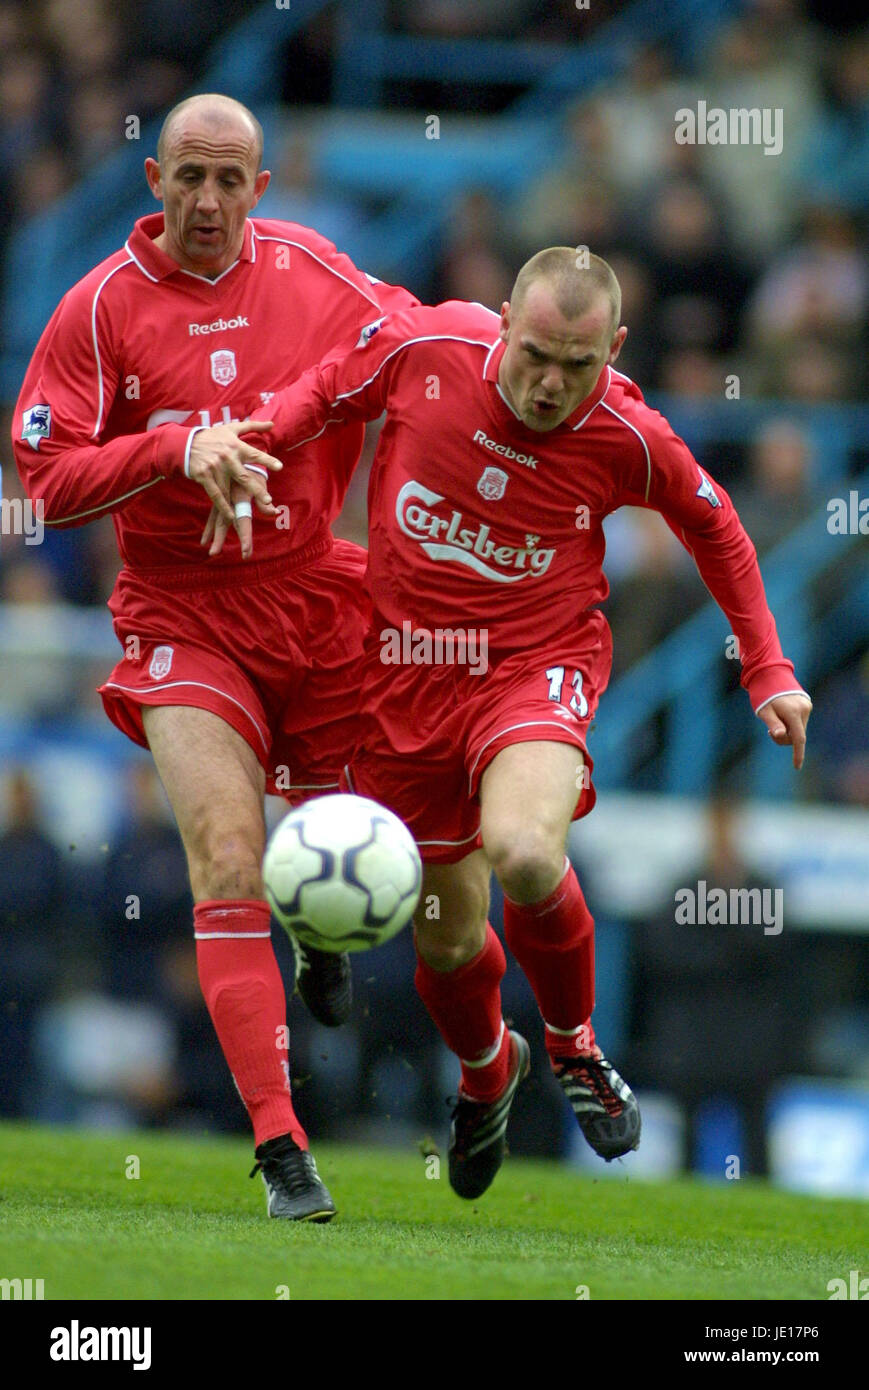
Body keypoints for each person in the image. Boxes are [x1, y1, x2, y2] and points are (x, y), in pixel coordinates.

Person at [208, 247, 812, 1201]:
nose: (548, 384)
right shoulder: (423, 348)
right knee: (445, 945)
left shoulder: (627, 430)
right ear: (501, 321)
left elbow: (718, 526)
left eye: (577, 365)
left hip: (534, 667)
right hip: (403, 675)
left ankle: (573, 1049)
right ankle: (489, 1068)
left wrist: (769, 668)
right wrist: (253, 446)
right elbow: (323, 390)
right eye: (534, 353)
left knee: (525, 853)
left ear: (611, 349)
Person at [12, 93, 419, 1222]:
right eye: (186, 176)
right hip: (180, 613)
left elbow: (415, 346)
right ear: (153, 181)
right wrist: (178, 448)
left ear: (259, 189)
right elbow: (46, 482)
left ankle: (325, 932)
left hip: (318, 597)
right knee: (225, 848)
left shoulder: (318, 274)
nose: (205, 199)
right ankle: (281, 1144)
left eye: (228, 179)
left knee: (356, 831)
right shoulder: (98, 309)